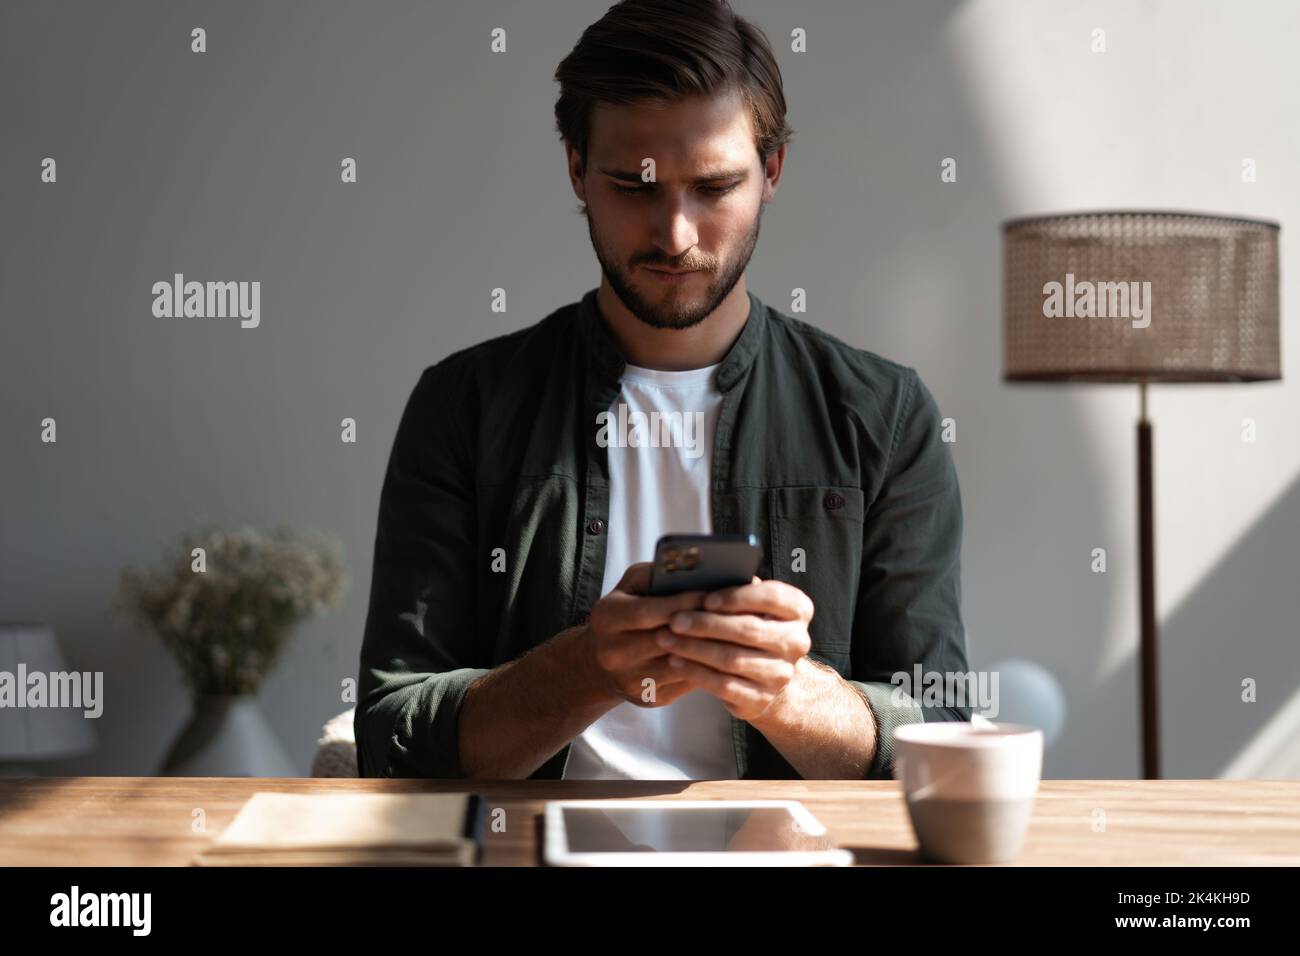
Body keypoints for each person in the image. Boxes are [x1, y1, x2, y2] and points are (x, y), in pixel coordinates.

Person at [355, 0, 970, 781]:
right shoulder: (463, 407)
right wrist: (590, 667)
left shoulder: (884, 416)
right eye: (633, 186)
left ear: (771, 171)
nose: (675, 235)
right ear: (576, 168)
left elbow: (944, 729)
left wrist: (781, 690)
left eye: (714, 187)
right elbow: (390, 735)